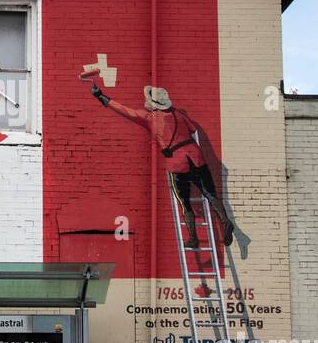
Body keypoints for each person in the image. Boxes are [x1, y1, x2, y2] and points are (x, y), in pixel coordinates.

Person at [91, 83, 236, 247]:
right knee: (211, 194)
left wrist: (101, 96)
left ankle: (193, 239)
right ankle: (225, 221)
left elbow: (125, 111)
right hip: (196, 156)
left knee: (185, 201)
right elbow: (193, 129)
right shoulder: (179, 114)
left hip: (177, 162)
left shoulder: (150, 117)